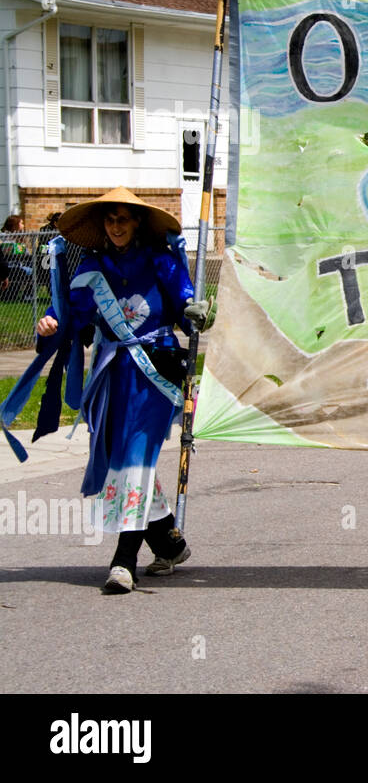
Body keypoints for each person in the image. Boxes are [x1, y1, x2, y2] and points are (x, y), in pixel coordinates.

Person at [33, 187, 208, 594]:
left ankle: (122, 561)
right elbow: (69, 313)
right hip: (112, 374)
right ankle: (168, 542)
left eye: (123, 219)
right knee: (120, 458)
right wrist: (49, 322)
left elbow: (184, 303)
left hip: (155, 372)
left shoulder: (160, 259)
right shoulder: (93, 266)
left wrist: (195, 312)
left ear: (137, 223)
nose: (116, 227)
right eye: (110, 220)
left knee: (133, 457)